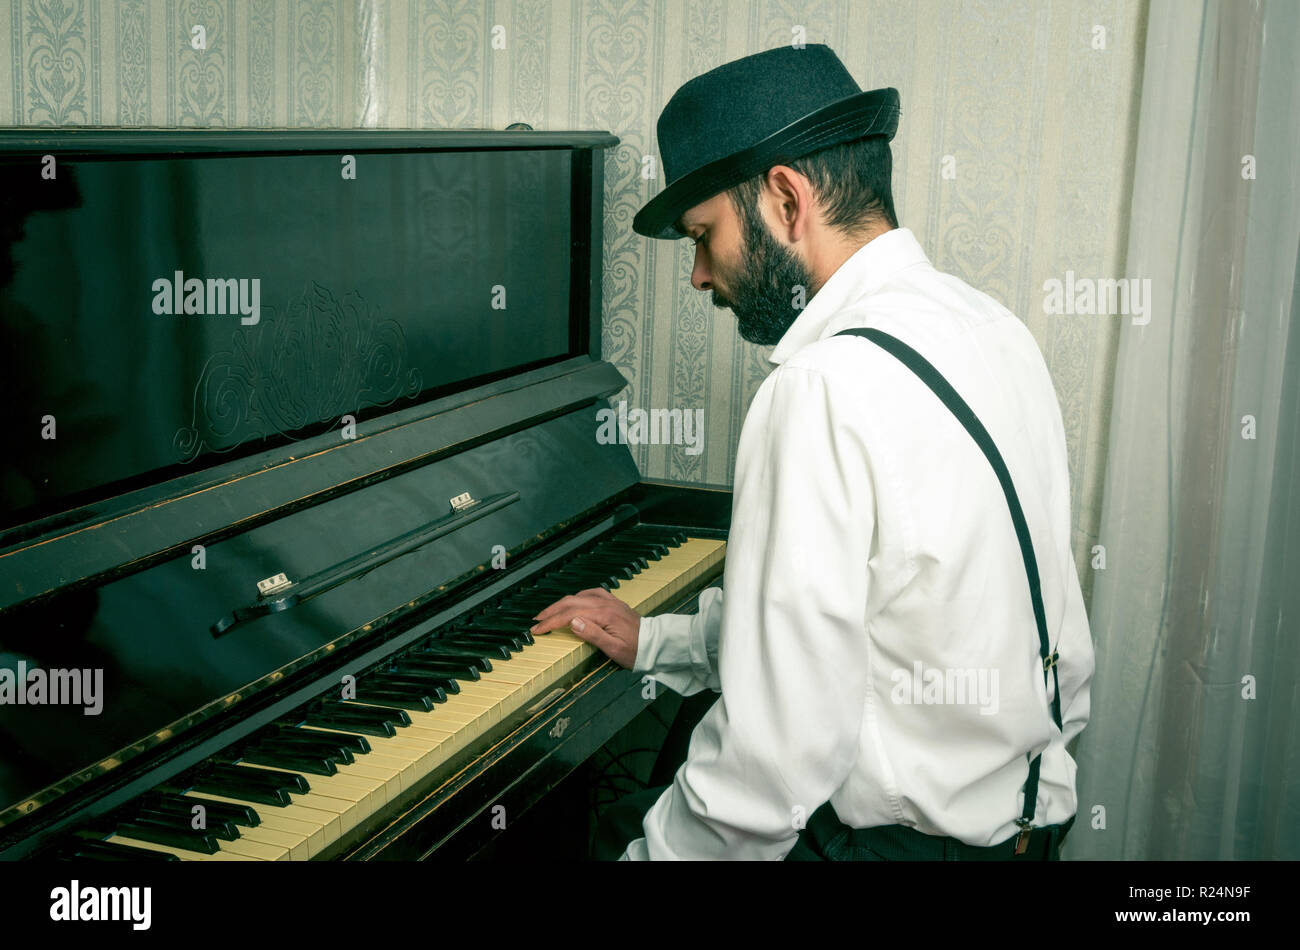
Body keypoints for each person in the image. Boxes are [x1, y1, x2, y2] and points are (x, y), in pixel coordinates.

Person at [530, 44, 1094, 861]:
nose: (697, 276)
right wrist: (657, 642)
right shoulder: (995, 330)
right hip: (1026, 823)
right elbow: (875, 615)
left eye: (703, 234)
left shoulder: (820, 389)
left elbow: (767, 773)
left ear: (786, 199)